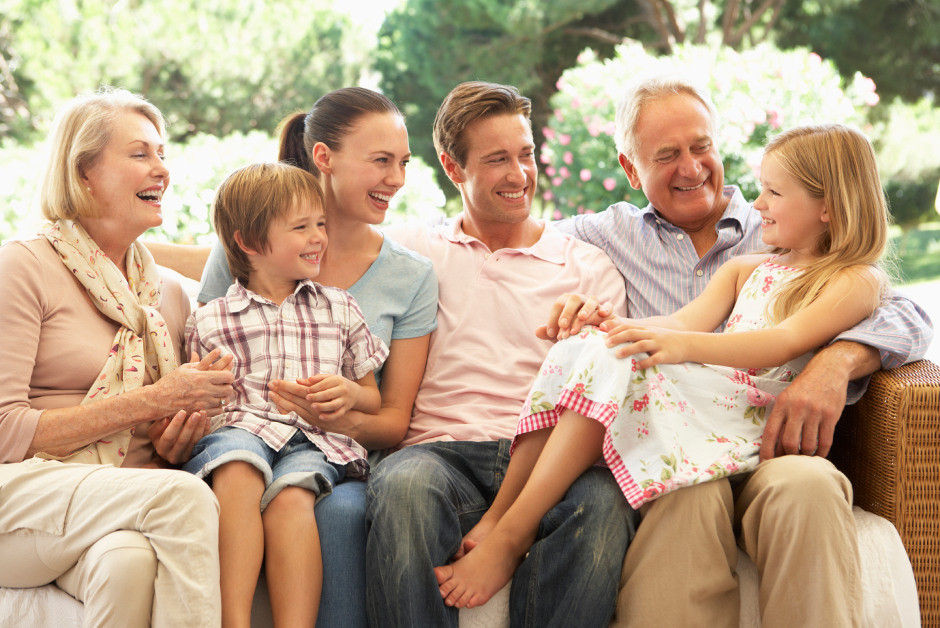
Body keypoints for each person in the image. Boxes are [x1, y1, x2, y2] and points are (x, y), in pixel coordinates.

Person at [433, 123, 891, 609]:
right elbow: (677, 322)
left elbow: (781, 342)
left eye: (774, 192)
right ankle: (502, 518)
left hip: (757, 422)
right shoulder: (747, 269)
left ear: (829, 206)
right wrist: (608, 326)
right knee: (587, 348)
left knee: (616, 358)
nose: (758, 204)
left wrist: (679, 348)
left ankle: (510, 538)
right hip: (713, 414)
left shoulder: (855, 279)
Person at [548, 75, 933, 626]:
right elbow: (513, 236)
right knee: (685, 494)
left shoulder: (780, 230)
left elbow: (905, 313)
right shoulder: (603, 235)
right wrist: (600, 322)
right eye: (667, 155)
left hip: (777, 447)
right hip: (688, 446)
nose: (692, 167)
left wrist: (837, 361)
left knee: (805, 487)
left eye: (701, 146)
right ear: (631, 169)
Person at [362, 81, 636, 627]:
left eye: (526, 154)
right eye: (497, 160)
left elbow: (604, 393)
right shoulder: (413, 251)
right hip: (441, 454)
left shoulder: (586, 266)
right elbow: (307, 244)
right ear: (452, 167)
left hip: (546, 461)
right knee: (403, 486)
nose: (519, 175)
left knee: (603, 503)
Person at [194, 87, 438, 628]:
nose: (397, 179)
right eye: (381, 161)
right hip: (245, 438)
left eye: (403, 163)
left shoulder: (410, 275)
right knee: (238, 470)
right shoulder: (249, 248)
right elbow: (209, 365)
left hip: (336, 453)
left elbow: (392, 418)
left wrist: (337, 410)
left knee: (343, 511)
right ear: (323, 157)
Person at [0, 87, 235, 627]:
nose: (162, 170)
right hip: (20, 496)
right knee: (182, 499)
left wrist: (178, 434)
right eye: (140, 154)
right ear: (84, 172)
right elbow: (5, 428)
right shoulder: (23, 265)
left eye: (163, 154)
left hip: (111, 502)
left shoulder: (167, 294)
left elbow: (159, 439)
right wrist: (150, 400)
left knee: (127, 563)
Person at [184, 162, 389, 627]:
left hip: (313, 440)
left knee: (291, 498)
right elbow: (197, 404)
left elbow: (372, 399)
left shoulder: (339, 307)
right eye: (301, 227)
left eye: (320, 223)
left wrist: (347, 396)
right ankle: (232, 621)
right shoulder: (210, 320)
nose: (319, 236)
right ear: (250, 243)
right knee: (237, 468)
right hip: (240, 430)